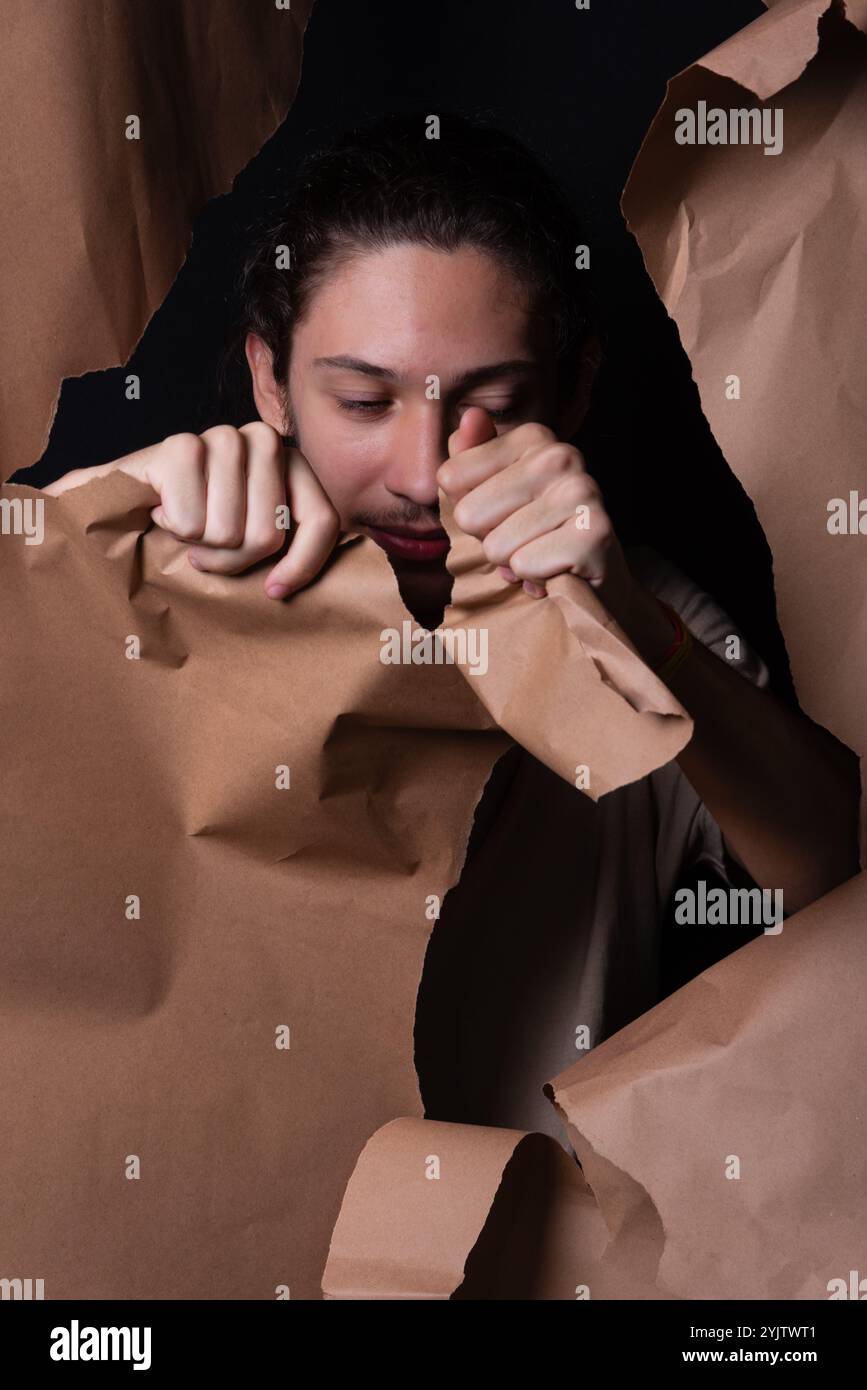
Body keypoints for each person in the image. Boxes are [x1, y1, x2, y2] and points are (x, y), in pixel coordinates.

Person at [44, 114, 860, 1141]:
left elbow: (835, 870)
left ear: (574, 391)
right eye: (363, 400)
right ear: (269, 382)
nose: (425, 473)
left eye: (493, 402)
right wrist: (78, 530)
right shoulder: (156, 576)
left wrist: (635, 627)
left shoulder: (641, 614)